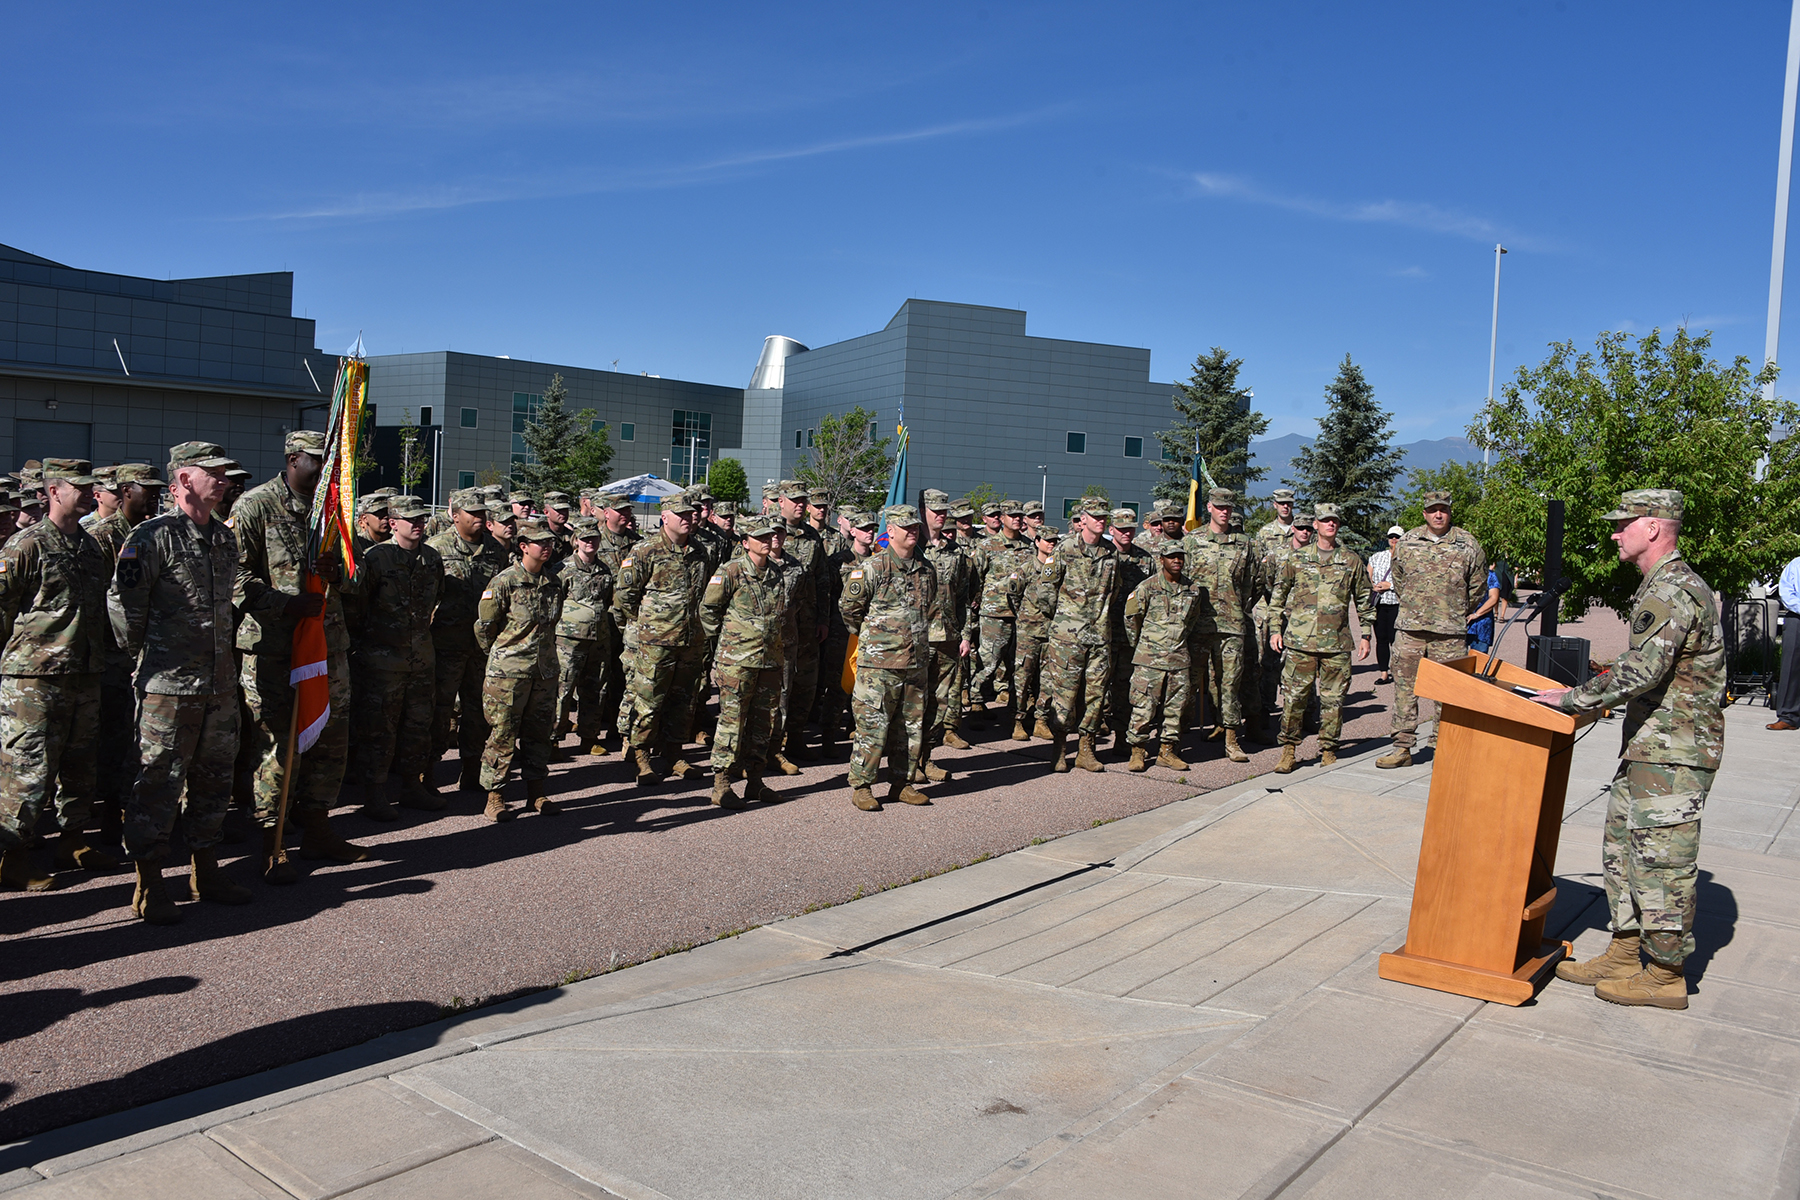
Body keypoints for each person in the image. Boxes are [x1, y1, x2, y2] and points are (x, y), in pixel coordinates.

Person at [1532, 489, 1724, 1010]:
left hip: (1674, 752)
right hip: (1650, 749)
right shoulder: (1661, 586)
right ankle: (1624, 950)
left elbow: (1644, 669)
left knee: (1661, 863)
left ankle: (1664, 974)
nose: (1616, 533)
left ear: (1655, 528)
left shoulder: (1674, 589)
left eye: (1624, 524)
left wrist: (1572, 699)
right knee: (1623, 852)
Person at [110, 443, 251, 923]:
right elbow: (122, 603)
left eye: (226, 474)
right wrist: (145, 657)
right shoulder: (149, 538)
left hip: (218, 684)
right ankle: (150, 882)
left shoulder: (225, 539)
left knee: (214, 781)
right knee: (158, 783)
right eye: (215, 473)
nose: (225, 480)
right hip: (169, 687)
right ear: (185, 479)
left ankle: (205, 869)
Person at [231, 429, 367, 881]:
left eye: (331, 458)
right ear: (292, 459)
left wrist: (341, 573)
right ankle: (273, 841)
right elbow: (234, 578)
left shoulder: (334, 510)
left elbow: (358, 575)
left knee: (330, 740)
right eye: (317, 458)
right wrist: (284, 603)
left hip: (328, 646)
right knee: (277, 747)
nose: (327, 466)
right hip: (276, 648)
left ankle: (318, 828)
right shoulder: (255, 505)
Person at [0, 459, 117, 894]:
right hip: (33, 678)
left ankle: (73, 843)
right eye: (79, 486)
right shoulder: (26, 545)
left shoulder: (88, 546)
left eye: (92, 486)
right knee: (27, 768)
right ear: (53, 490)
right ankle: (12, 857)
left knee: (80, 764)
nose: (88, 493)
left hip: (83, 672)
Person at [345, 497, 444, 817]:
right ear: (393, 522)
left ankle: (412, 786)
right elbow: (357, 607)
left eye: (421, 519)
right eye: (409, 519)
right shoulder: (376, 558)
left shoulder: (431, 557)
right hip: (382, 660)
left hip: (420, 658)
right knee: (379, 729)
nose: (417, 524)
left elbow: (436, 599)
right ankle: (374, 792)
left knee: (418, 726)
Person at [1376, 490, 1487, 769]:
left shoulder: (1467, 544)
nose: (1438, 514)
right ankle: (1402, 748)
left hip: (1449, 633)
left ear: (1450, 512)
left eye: (1443, 509)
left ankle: (1442, 746)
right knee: (1404, 690)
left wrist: (1453, 611)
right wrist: (1416, 606)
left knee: (1448, 692)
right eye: (1433, 510)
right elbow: (1398, 579)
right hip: (1410, 630)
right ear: (1424, 513)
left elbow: (1477, 586)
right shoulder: (1408, 541)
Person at [839, 504, 939, 811]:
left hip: (915, 663)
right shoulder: (872, 567)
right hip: (879, 665)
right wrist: (875, 640)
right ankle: (862, 785)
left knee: (910, 727)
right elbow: (849, 609)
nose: (913, 531)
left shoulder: (926, 568)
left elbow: (931, 607)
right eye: (905, 527)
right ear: (890, 531)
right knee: (872, 726)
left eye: (915, 527)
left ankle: (902, 782)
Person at [613, 493, 711, 784]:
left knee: (683, 703)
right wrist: (647, 627)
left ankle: (674, 755)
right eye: (680, 514)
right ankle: (642, 757)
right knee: (649, 702)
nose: (687, 519)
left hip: (690, 641)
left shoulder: (700, 551)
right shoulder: (645, 550)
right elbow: (625, 597)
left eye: (690, 514)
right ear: (664, 517)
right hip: (655, 642)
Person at [1269, 503, 1374, 773]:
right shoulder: (1298, 558)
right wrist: (1274, 629)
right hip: (1300, 642)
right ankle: (1289, 750)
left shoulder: (1350, 560)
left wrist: (1366, 635)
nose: (1331, 525)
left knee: (1334, 700)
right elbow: (1278, 596)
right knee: (1294, 698)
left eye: (1334, 521)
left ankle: (1328, 748)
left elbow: (1364, 598)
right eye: (1325, 521)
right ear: (1315, 525)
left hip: (1336, 643)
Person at [475, 521, 567, 820]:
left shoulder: (554, 582)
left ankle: (536, 792)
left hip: (544, 671)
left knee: (539, 732)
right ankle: (496, 795)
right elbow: (485, 627)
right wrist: (503, 657)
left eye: (550, 542)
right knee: (502, 734)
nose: (547, 547)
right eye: (539, 542)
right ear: (523, 546)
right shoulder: (505, 582)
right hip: (508, 674)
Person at [89, 463, 163, 837]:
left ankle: (126, 809)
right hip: (113, 653)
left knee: (137, 740)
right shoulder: (103, 536)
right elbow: (106, 599)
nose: (152, 494)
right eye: (143, 488)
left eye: (155, 488)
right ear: (123, 492)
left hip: (144, 652)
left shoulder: (155, 532)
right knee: (114, 737)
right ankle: (107, 814)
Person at [427, 489, 512, 792]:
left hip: (481, 648)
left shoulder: (496, 550)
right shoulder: (436, 548)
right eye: (472, 513)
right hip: (445, 644)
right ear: (455, 515)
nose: (479, 518)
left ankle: (472, 769)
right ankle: (428, 773)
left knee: (478, 710)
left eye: (482, 513)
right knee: (439, 710)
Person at [701, 515, 788, 808]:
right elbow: (708, 610)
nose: (767, 541)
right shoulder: (731, 571)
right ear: (745, 542)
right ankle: (722, 784)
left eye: (770, 536)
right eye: (760, 537)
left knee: (764, 723)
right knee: (731, 723)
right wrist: (727, 645)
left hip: (770, 661)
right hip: (737, 662)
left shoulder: (776, 572)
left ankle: (755, 781)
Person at [1038, 498, 1120, 772]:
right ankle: (1059, 750)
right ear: (1082, 519)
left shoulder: (1111, 552)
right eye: (1094, 516)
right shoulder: (1064, 549)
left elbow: (1115, 590)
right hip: (1067, 638)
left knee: (1096, 695)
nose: (1100, 521)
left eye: (1103, 516)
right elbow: (1046, 591)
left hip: (1099, 636)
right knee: (1064, 695)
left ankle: (1087, 750)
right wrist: (1065, 619)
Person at [1182, 487, 1260, 763]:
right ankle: (1177, 739)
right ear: (1209, 508)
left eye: (1228, 507)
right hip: (1198, 625)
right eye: (1219, 506)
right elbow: (1183, 582)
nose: (1225, 511)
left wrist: (1239, 608)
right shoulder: (1192, 541)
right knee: (1188, 684)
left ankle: (1231, 739)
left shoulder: (1245, 543)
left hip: (1232, 625)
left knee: (1229, 684)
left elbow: (1251, 583)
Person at [1122, 534, 1202, 772]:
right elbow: (1131, 620)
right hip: (1149, 659)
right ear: (1162, 559)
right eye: (1171, 557)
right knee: (1143, 707)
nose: (1177, 560)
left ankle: (1167, 751)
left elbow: (1192, 621)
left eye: (1180, 557)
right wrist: (1143, 647)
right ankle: (1137, 751)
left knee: (1175, 709)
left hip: (1178, 659)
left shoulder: (1193, 590)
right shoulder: (1146, 588)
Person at [919, 489, 976, 779]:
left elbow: (965, 599)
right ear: (923, 511)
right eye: (935, 511)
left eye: (944, 511)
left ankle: (925, 758)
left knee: (939, 704)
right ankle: (905, 762)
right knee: (912, 704)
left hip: (948, 639)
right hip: (915, 640)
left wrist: (965, 635)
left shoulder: (957, 554)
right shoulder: (911, 548)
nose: (941, 516)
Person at [775, 481, 830, 761]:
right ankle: (774, 745)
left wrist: (823, 618)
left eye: (803, 499)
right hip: (779, 627)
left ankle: (795, 737)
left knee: (806, 683)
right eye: (794, 499)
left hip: (808, 625)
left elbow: (822, 580)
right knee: (780, 685)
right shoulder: (769, 532)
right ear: (781, 501)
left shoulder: (812, 537)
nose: (800, 504)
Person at [552, 517, 614, 756]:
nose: (590, 543)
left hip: (598, 639)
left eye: (594, 538)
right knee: (563, 689)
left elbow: (607, 601)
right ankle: (554, 738)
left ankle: (589, 737)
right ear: (575, 541)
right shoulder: (562, 569)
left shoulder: (604, 569)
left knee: (596, 689)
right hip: (568, 641)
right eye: (585, 539)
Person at [1105, 509, 1157, 750]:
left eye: (1130, 529)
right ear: (1111, 529)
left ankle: (1120, 736)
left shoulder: (1146, 560)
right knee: (1098, 687)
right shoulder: (1104, 556)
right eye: (1121, 528)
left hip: (1129, 635)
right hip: (1102, 632)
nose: (1126, 533)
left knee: (1125, 686)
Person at [1015, 524, 1059, 739]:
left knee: (1048, 680)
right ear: (1037, 541)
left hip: (1051, 632)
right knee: (1022, 677)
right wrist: (1024, 617)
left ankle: (1041, 720)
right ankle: (1018, 720)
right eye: (1047, 540)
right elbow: (1012, 594)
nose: (1051, 543)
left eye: (1054, 540)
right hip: (1028, 632)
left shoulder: (1058, 568)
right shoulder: (1026, 569)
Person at [1367, 525, 1403, 684]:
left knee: (1396, 640)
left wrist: (1391, 585)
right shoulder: (1377, 557)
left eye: (1397, 537)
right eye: (1391, 537)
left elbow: (1410, 581)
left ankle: (1398, 672)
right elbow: (1367, 577)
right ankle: (1383, 673)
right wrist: (1372, 586)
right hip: (1379, 604)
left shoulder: (1407, 557)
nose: (1394, 540)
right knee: (1381, 639)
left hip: (1397, 604)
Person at [1770, 552, 1800, 731]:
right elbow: (1787, 593)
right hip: (1797, 618)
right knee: (1791, 667)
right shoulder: (1795, 564)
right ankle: (1788, 716)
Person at [1466, 561, 1503, 653]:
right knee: (1456, 662)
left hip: (1482, 624)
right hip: (1460, 622)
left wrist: (1476, 614)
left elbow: (1494, 598)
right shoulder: (1461, 574)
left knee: (1479, 661)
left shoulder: (1490, 575)